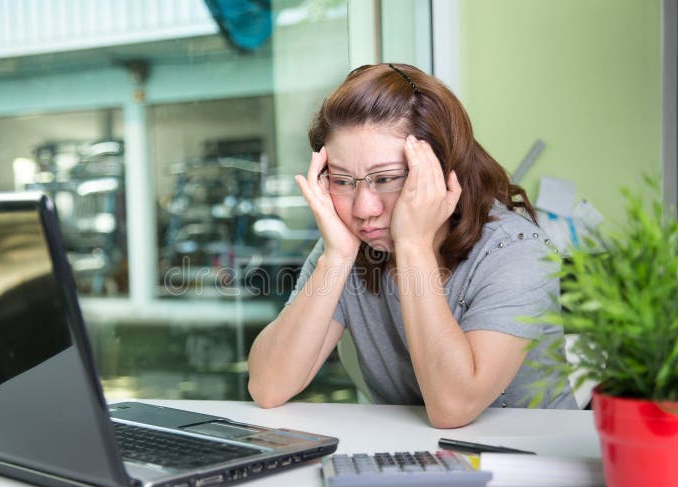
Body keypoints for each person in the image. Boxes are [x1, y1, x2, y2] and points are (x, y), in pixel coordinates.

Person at [247, 63, 577, 428]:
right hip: (411, 457)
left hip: (531, 461)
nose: (363, 209)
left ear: (440, 167)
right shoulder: (348, 244)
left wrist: (413, 245)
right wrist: (336, 257)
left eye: (385, 178)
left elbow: (453, 407)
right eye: (342, 180)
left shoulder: (518, 250)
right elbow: (268, 386)